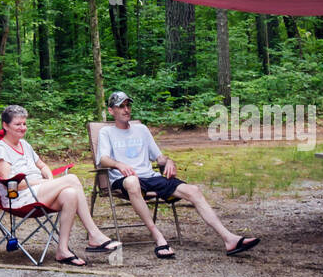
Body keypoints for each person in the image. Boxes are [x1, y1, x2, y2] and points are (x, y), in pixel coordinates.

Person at [97, 91, 260, 259]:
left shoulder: (141, 129)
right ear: (111, 111)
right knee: (132, 181)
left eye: (128, 105)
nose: (126, 110)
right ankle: (159, 238)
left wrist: (169, 162)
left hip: (150, 177)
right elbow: (103, 159)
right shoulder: (106, 132)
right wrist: (118, 164)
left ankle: (229, 239)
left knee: (193, 190)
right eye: (121, 106)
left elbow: (159, 157)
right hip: (124, 180)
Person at [0, 104, 121, 266]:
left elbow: (43, 166)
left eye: (24, 124)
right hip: (19, 198)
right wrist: (46, 183)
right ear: (5, 125)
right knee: (71, 179)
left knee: (70, 194)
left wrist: (50, 179)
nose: (22, 128)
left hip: (39, 191)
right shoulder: (0, 150)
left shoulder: (25, 145)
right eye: (17, 124)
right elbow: (11, 185)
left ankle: (63, 250)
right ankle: (94, 234)